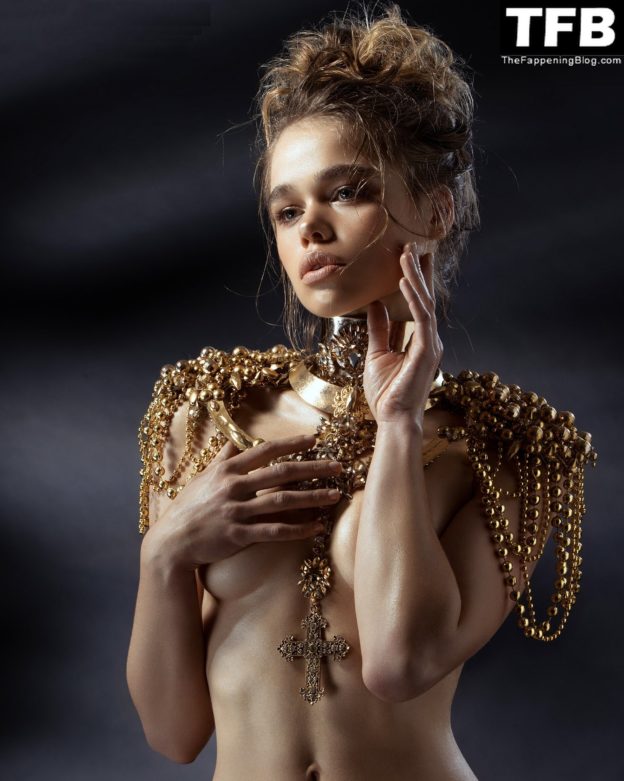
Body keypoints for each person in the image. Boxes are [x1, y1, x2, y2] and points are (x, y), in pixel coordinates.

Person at [126, 4, 597, 779]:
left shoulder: (513, 447)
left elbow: (399, 661)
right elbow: (172, 732)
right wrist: (165, 555)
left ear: (435, 210)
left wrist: (400, 424)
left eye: (345, 191)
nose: (309, 227)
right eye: (287, 209)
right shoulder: (207, 414)